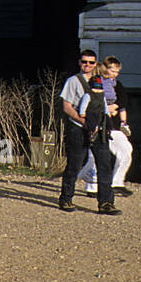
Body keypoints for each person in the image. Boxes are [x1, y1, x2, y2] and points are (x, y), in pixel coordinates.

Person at [58, 50, 119, 214]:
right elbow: (67, 107)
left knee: (105, 164)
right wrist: (84, 122)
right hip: (78, 128)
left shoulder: (101, 80)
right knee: (74, 164)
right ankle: (66, 199)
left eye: (91, 62)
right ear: (79, 62)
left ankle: (106, 202)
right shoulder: (73, 81)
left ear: (95, 63)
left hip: (99, 129)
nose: (88, 65)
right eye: (84, 62)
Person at [80, 56, 134, 199]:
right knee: (94, 155)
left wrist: (113, 107)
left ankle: (116, 182)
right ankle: (92, 185)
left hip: (114, 126)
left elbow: (123, 100)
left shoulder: (117, 85)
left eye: (116, 71)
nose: (114, 74)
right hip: (97, 122)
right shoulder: (95, 82)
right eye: (111, 70)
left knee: (126, 150)